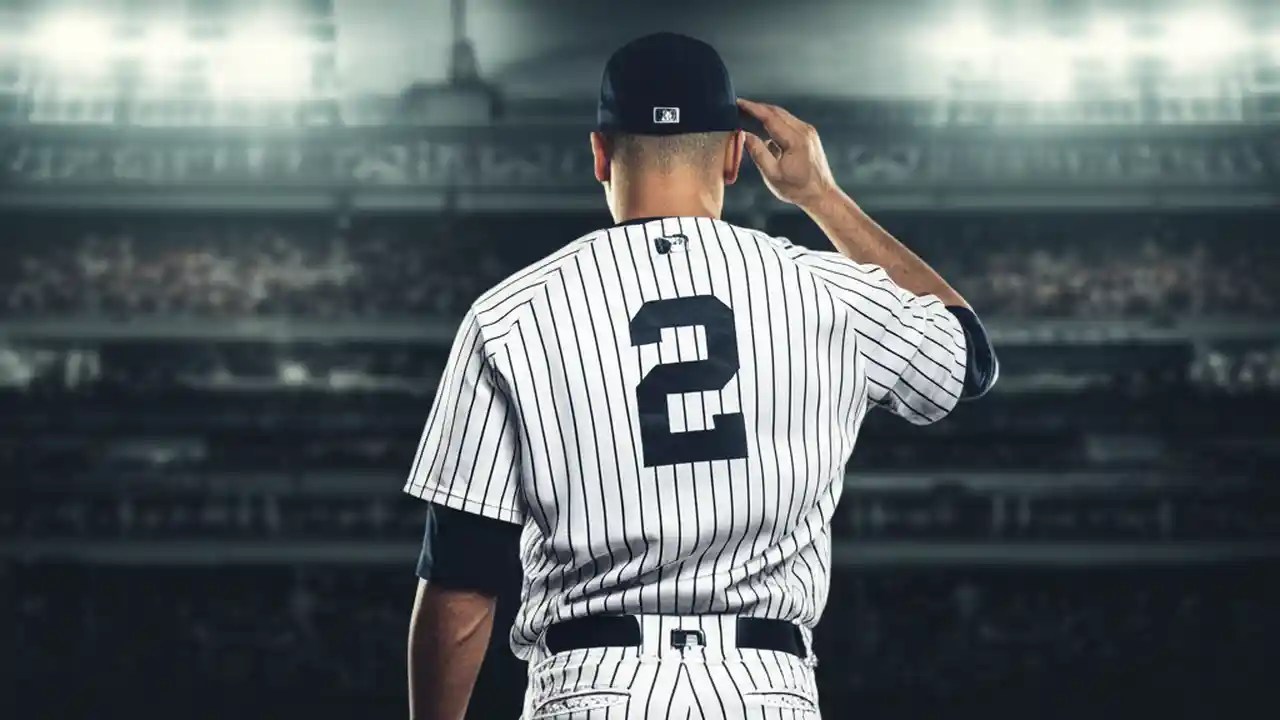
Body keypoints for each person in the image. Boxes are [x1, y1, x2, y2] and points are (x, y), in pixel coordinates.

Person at [404, 32, 997, 720]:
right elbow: (966, 359)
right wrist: (822, 197)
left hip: (592, 684)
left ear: (599, 154)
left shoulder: (510, 313)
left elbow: (462, 586)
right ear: (733, 155)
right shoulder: (826, 289)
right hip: (763, 687)